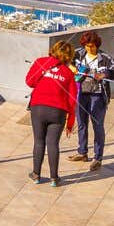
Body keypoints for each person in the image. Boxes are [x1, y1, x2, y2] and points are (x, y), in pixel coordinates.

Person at [24, 39, 77, 187]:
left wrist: (44, 68)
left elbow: (29, 82)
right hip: (58, 111)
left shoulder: (41, 62)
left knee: (39, 141)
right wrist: (70, 122)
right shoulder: (68, 73)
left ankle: (36, 175)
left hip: (38, 107)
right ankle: (54, 178)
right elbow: (73, 99)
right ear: (69, 56)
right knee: (53, 143)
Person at [68, 31, 114, 171]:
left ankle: (98, 157)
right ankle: (82, 151)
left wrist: (104, 74)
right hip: (81, 93)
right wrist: (71, 67)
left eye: (92, 46)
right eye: (87, 46)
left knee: (98, 126)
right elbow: (66, 61)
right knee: (81, 124)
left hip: (97, 96)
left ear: (97, 45)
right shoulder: (78, 53)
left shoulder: (104, 57)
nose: (89, 49)